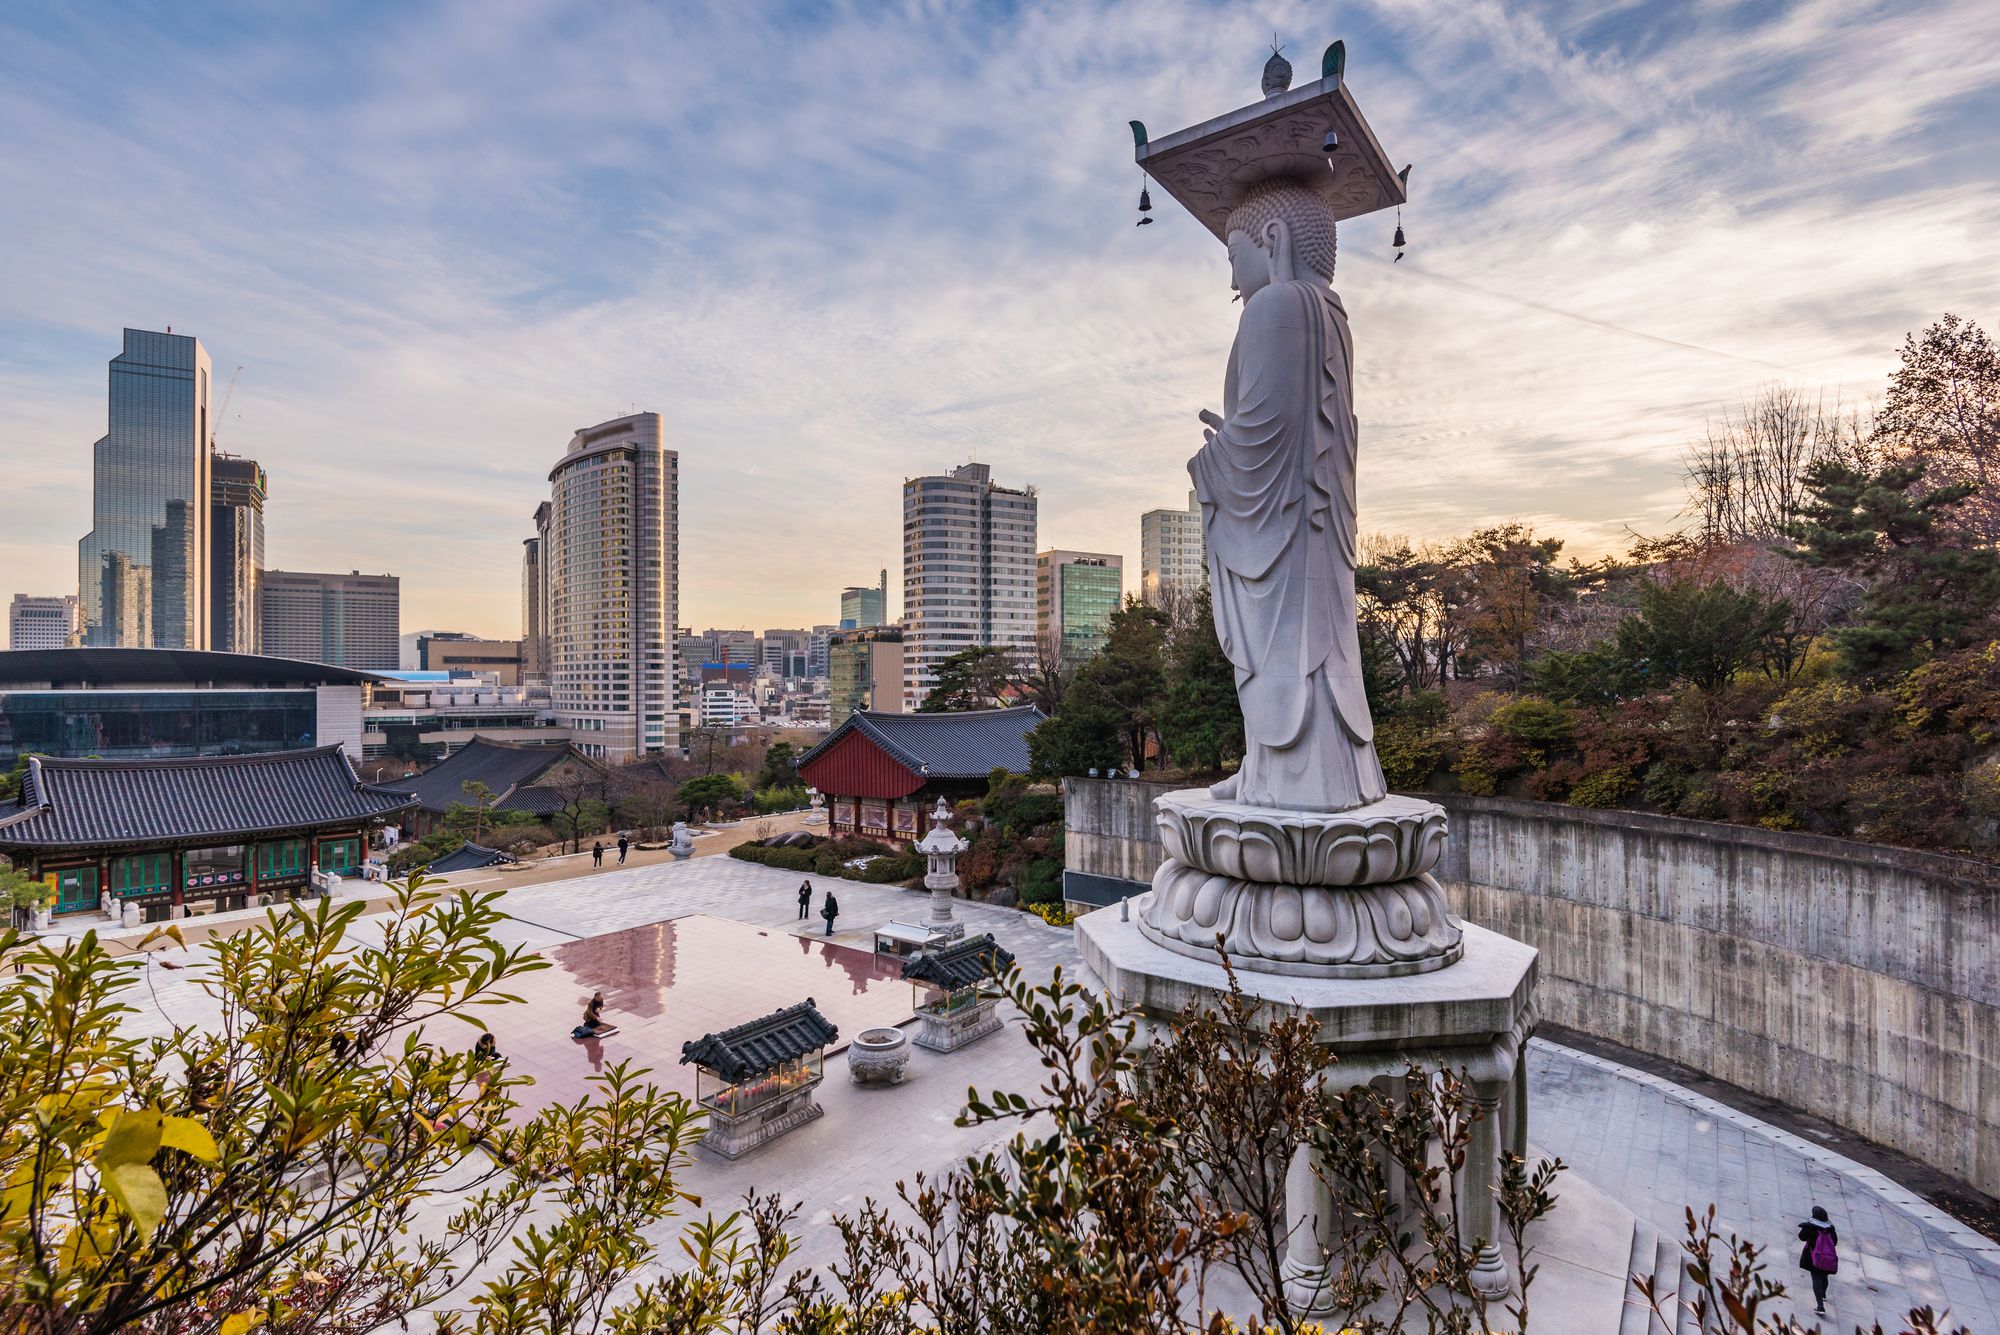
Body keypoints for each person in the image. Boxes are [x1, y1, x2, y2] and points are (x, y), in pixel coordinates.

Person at [1798, 1205, 1838, 1316]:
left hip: (1813, 1257)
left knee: (1816, 1279)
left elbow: (1801, 1237)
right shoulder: (1830, 1228)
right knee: (1824, 1276)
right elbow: (1834, 1242)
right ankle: (1824, 1294)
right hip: (1827, 1258)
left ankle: (1820, 1306)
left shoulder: (1810, 1227)